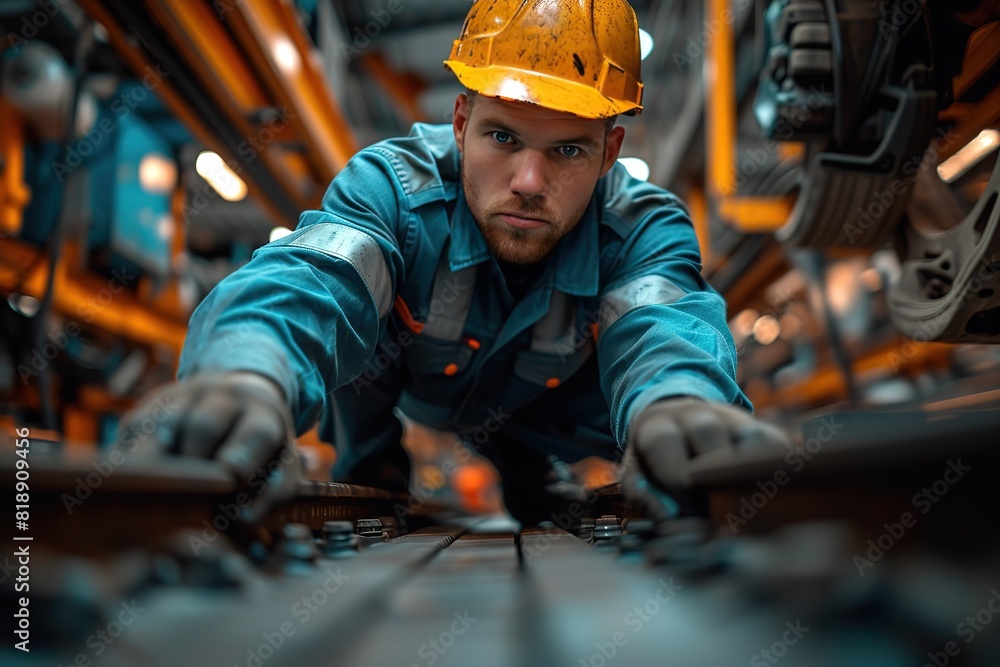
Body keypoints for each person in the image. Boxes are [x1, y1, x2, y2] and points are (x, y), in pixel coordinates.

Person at [120, 0, 789, 525]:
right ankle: (375, 465)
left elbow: (664, 333)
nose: (529, 179)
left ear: (611, 152)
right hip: (414, 387)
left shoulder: (642, 228)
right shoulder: (392, 191)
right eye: (503, 136)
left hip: (552, 411)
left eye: (569, 151)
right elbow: (310, 284)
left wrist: (679, 403)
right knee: (360, 347)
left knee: (642, 450)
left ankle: (529, 473)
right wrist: (246, 371)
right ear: (462, 121)